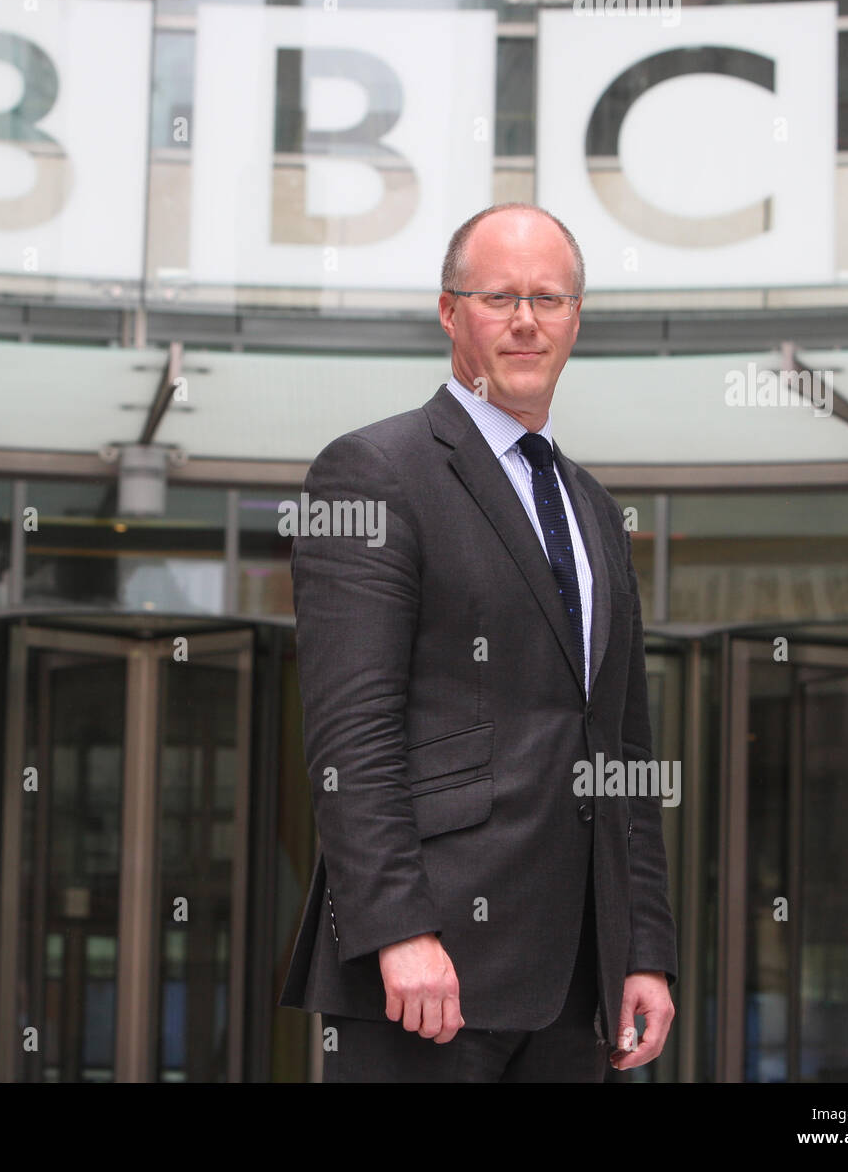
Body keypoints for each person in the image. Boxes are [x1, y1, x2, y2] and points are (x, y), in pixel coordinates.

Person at [278, 203, 678, 1082]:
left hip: (579, 975)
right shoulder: (374, 472)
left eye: (550, 297)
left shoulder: (596, 510)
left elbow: (624, 748)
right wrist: (397, 929)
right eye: (499, 297)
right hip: (429, 974)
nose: (527, 320)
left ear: (577, 316)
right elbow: (355, 733)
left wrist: (643, 944)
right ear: (449, 311)